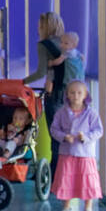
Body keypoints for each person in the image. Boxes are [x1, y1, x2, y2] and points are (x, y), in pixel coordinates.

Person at [49, 80, 103, 211]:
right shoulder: (61, 112)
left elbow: (98, 131)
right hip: (67, 152)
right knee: (66, 179)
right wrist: (64, 137)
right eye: (72, 93)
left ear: (85, 95)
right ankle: (66, 207)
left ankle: (88, 208)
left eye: (79, 93)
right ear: (67, 94)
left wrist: (86, 137)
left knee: (87, 180)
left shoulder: (91, 113)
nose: (76, 96)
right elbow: (54, 129)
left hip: (85, 153)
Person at [22, 11, 67, 175]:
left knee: (55, 134)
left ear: (45, 27)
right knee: (66, 135)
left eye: (40, 26)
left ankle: (55, 174)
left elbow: (40, 72)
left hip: (54, 96)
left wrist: (22, 82)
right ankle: (66, 172)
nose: (38, 29)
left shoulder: (43, 45)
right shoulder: (66, 43)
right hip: (70, 96)